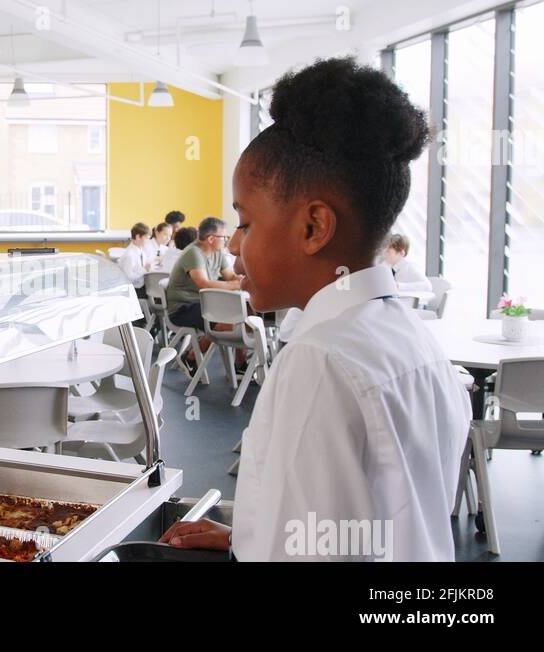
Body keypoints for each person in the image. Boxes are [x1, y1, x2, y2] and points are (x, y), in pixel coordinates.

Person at [161, 58, 471, 561]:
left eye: (246, 222)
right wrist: (250, 538)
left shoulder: (321, 360)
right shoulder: (411, 339)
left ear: (313, 228)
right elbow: (361, 524)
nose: (235, 246)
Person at [165, 217, 244, 367]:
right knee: (228, 323)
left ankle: (240, 364)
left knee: (238, 316)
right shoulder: (194, 252)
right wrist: (236, 285)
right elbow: (204, 284)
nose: (227, 240)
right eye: (224, 237)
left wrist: (239, 279)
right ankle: (190, 358)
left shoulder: (218, 252)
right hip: (183, 308)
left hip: (203, 304)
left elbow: (230, 276)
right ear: (211, 238)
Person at [118, 221, 153, 298]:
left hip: (140, 286)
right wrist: (144, 269)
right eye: (147, 238)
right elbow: (128, 278)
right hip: (134, 290)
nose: (148, 241)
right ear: (138, 237)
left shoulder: (140, 250)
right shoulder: (130, 255)